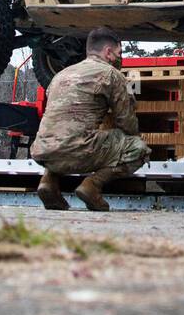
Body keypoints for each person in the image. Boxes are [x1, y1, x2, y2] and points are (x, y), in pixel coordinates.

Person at [31, 27, 150, 211]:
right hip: (78, 151)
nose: (120, 57)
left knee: (65, 134)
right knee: (138, 149)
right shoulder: (112, 75)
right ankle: (92, 186)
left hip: (43, 151)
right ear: (108, 52)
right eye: (119, 53)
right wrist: (133, 137)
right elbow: (125, 122)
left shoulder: (60, 75)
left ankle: (49, 182)